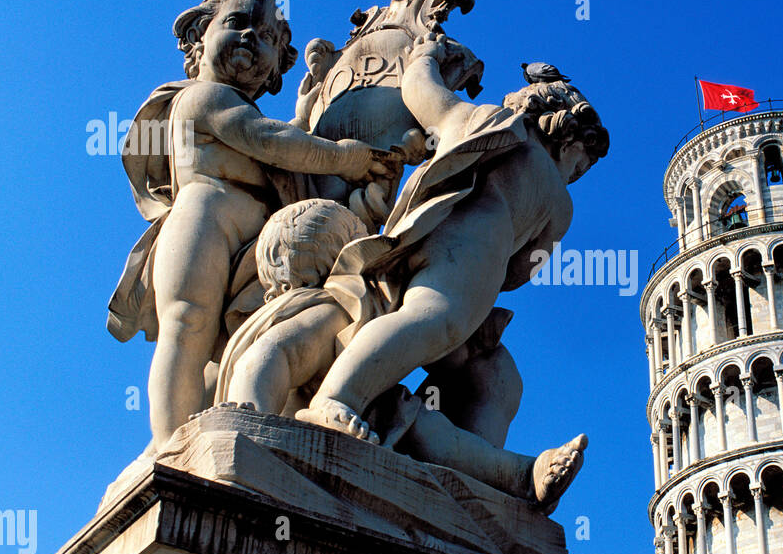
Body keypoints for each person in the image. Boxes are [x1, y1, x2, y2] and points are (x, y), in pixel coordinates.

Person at [108, 0, 397, 451]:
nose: (250, 37)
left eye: (265, 36)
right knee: (188, 325)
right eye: (237, 23)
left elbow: (283, 150)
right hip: (203, 222)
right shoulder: (203, 98)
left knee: (220, 352)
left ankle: (213, 424)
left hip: (253, 246)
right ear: (199, 37)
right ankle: (167, 445)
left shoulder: (241, 106)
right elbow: (268, 141)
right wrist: (343, 159)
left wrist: (304, 118)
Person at [295, 34, 610, 444]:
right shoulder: (560, 201)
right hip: (477, 256)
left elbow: (420, 91)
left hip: (424, 230)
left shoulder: (481, 121)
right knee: (430, 322)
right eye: (579, 167)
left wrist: (427, 53)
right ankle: (337, 399)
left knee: (490, 370)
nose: (575, 176)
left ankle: (460, 456)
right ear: (567, 135)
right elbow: (518, 272)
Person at [216, 198, 585, 511]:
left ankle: (523, 475)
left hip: (374, 414)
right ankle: (518, 474)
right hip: (319, 418)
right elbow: (270, 356)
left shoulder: (348, 308)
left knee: (434, 434)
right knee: (435, 436)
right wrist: (250, 424)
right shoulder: (328, 307)